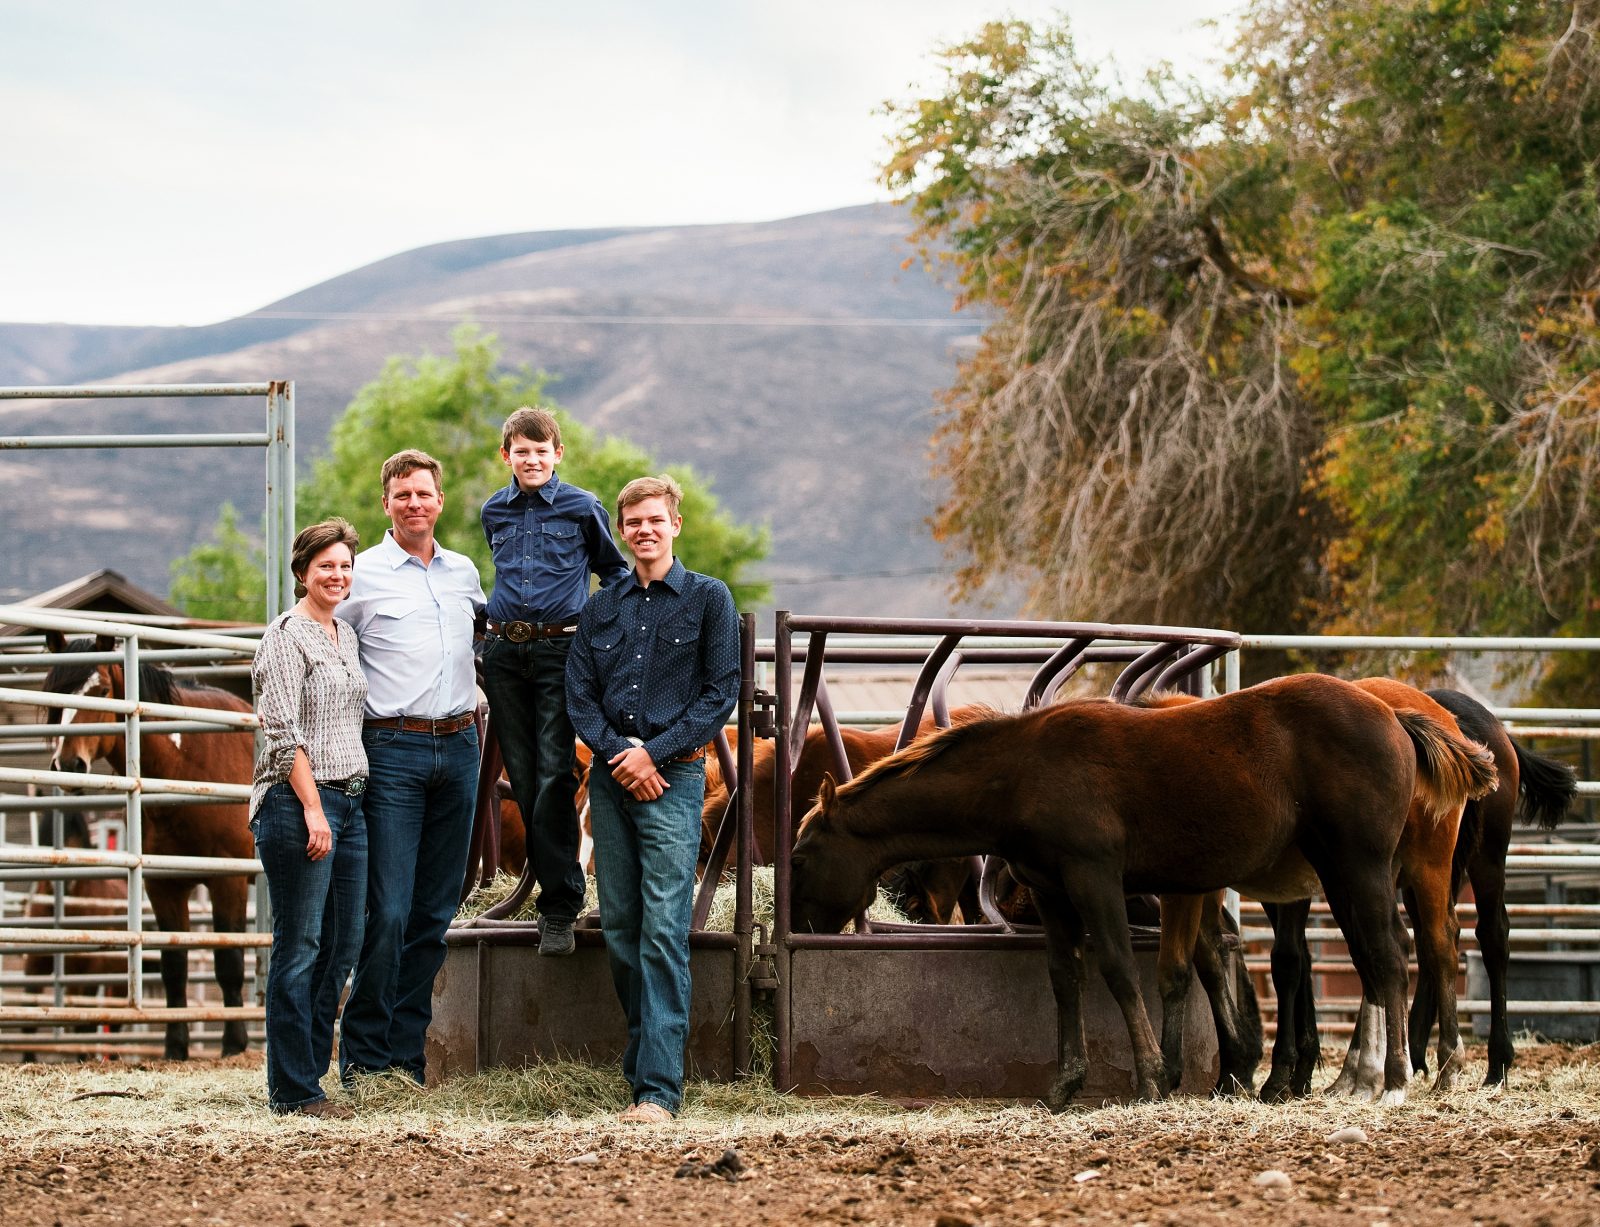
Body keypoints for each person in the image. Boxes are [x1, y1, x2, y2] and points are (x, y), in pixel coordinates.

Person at [565, 474, 740, 1122]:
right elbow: (579, 694)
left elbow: (719, 692)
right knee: (619, 926)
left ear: (675, 525)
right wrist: (621, 753)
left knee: (664, 929)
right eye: (633, 521)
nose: (644, 530)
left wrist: (654, 753)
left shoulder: (708, 600)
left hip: (675, 780)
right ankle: (645, 1063)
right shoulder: (602, 607)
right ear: (623, 529)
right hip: (612, 780)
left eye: (654, 520)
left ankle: (658, 1089)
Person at [337, 449, 487, 1085]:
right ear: (386, 504)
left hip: (459, 748)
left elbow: (482, 642)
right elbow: (323, 638)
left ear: (440, 501)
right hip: (391, 749)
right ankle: (365, 1059)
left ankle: (405, 1058)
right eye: (402, 495)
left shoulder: (463, 573)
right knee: (390, 910)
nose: (415, 504)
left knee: (434, 912)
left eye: (424, 494)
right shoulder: (361, 575)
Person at [479, 407, 630, 956]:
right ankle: (557, 895)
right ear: (507, 456)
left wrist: (598, 631)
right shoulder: (493, 509)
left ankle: (560, 905)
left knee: (553, 775)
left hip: (560, 650)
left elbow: (614, 571)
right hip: (502, 652)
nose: (532, 459)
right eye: (522, 451)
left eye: (542, 451)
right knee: (523, 780)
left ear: (557, 454)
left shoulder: (582, 506)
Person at [250, 517, 369, 1117]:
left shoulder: (343, 636)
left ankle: (310, 1070)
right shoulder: (285, 636)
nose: (337, 575)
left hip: (351, 800)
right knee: (299, 944)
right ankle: (293, 1089)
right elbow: (282, 731)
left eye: (345, 565)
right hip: (300, 804)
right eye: (326, 565)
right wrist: (314, 808)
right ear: (303, 572)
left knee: (345, 941)